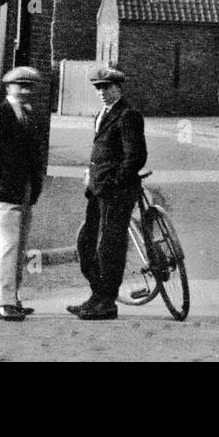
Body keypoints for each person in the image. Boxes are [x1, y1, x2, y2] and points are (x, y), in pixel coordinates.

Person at [69, 66, 147, 321]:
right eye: (99, 88)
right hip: (97, 190)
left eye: (107, 87)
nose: (102, 92)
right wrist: (91, 175)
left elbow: (135, 157)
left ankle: (107, 302)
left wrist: (114, 182)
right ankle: (97, 294)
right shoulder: (100, 115)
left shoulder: (128, 115)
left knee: (109, 246)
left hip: (117, 192)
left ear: (118, 88)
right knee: (86, 243)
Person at [0, 66, 45, 322]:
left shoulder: (30, 116)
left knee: (19, 246)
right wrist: (2, 176)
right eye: (20, 86)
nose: (25, 91)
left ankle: (12, 298)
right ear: (7, 88)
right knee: (6, 246)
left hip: (24, 191)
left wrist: (33, 186)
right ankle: (1, 301)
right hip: (5, 191)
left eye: (30, 86)